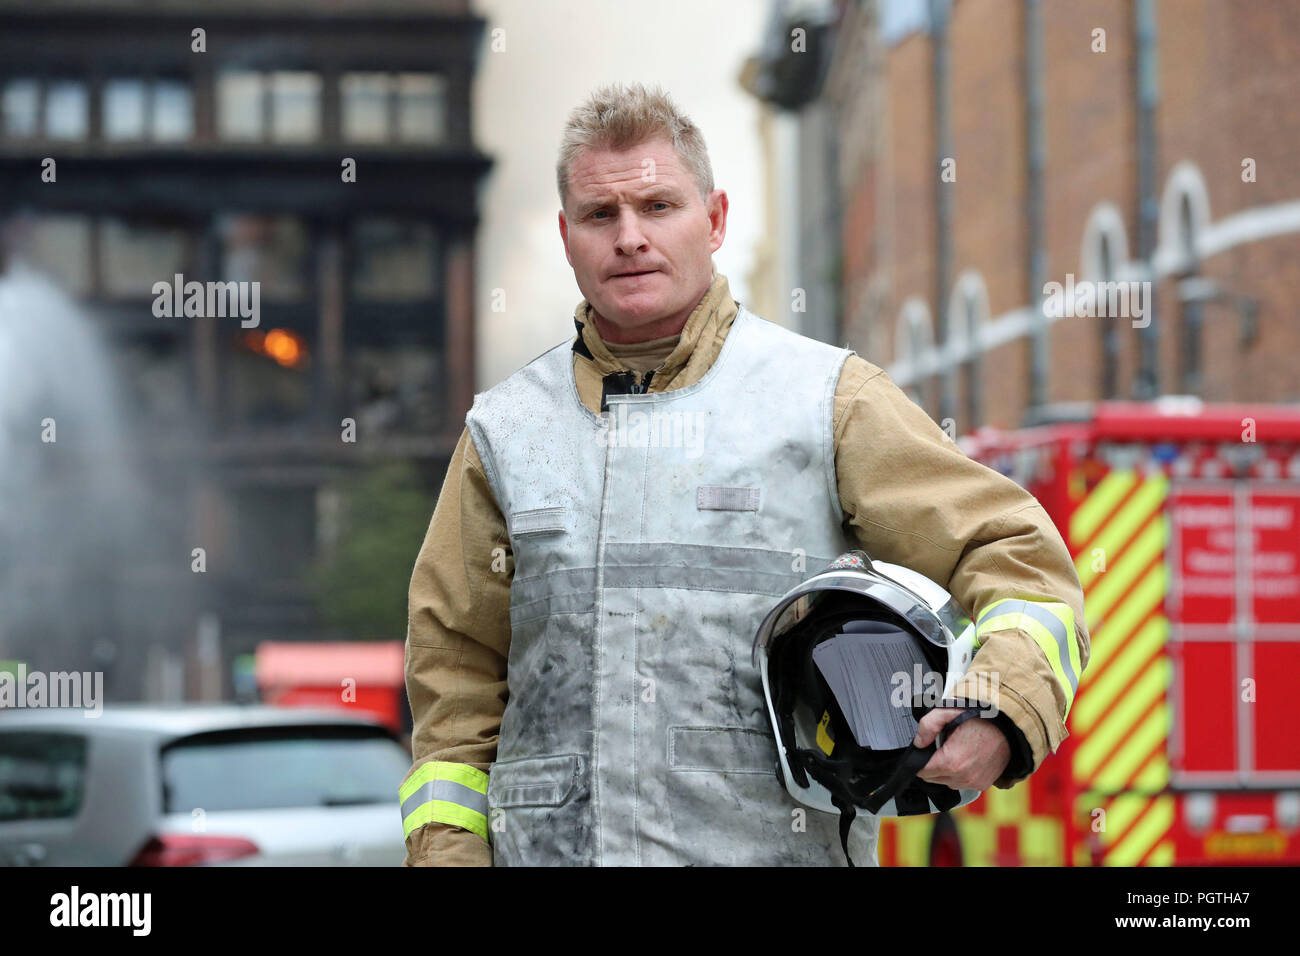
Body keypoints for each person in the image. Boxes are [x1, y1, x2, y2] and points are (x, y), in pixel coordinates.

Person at [399, 82, 1088, 866]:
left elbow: (1015, 557)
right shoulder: (506, 431)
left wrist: (998, 710)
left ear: (715, 219)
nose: (630, 237)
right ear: (567, 236)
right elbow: (455, 679)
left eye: (658, 207)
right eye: (601, 215)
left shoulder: (827, 400)